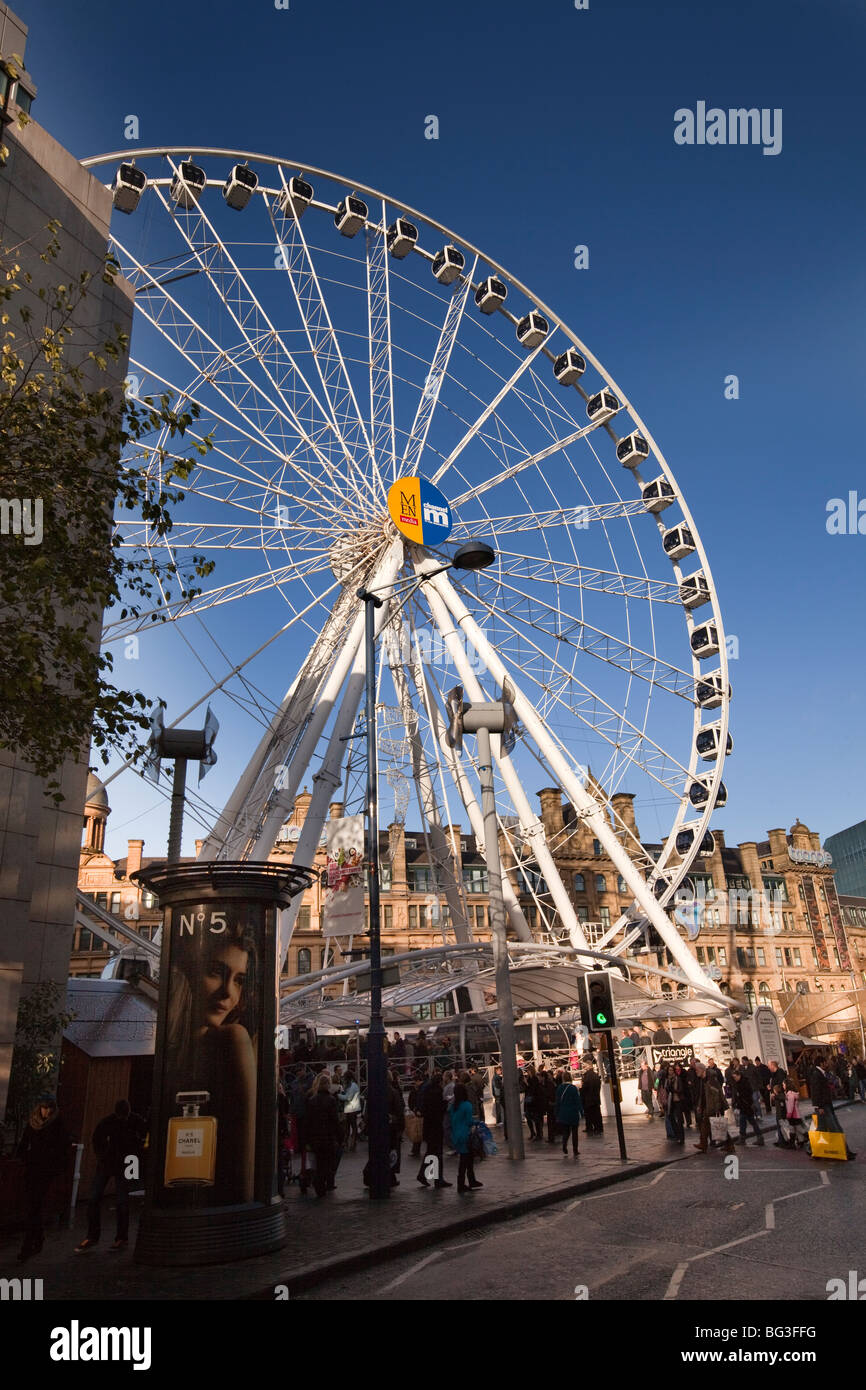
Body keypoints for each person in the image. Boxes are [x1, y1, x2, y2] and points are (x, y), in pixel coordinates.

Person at [165, 923, 257, 1204]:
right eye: (216, 973)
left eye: (239, 980)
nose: (228, 993)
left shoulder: (233, 1039)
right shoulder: (218, 1043)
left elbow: (245, 1173)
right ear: (188, 971)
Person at [75, 1099, 146, 1253]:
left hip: (118, 1164)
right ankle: (116, 1237)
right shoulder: (132, 1121)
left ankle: (105, 1237)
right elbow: (97, 1140)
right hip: (118, 1163)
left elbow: (97, 1140)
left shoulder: (117, 1122)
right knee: (113, 1201)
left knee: (117, 1201)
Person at [16, 1093, 72, 1262]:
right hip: (33, 1168)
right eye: (44, 1107)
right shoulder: (33, 1124)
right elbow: (23, 1145)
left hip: (45, 1170)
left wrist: (55, 1166)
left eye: (49, 1108)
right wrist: (25, 1158)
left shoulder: (57, 1125)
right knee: (34, 1206)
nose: (46, 1111)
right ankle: (37, 1237)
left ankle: (28, 1244)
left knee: (34, 1205)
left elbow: (63, 1150)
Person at [808, 1054, 856, 1160]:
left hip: (826, 1105)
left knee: (822, 1129)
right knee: (836, 1129)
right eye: (825, 1062)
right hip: (823, 1106)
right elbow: (815, 1092)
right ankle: (845, 1152)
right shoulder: (816, 1074)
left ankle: (811, 1149)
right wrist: (819, 1106)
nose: (827, 1064)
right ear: (821, 1063)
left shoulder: (822, 1073)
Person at [305, 1073, 340, 1197]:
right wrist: (339, 1136)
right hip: (328, 1136)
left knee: (319, 1162)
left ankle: (319, 1184)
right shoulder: (331, 1100)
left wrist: (307, 1139)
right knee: (328, 1163)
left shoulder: (311, 1100)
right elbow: (334, 1120)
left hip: (315, 1137)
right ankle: (321, 1183)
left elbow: (308, 1121)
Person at [417, 1071, 451, 1187]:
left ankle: (427, 1175)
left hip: (428, 1126)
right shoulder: (437, 1093)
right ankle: (436, 1178)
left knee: (431, 1152)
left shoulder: (427, 1092)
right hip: (436, 1126)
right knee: (437, 1153)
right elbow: (440, 1109)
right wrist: (445, 1103)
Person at [448, 1082, 482, 1193]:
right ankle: (462, 1184)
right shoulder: (467, 1105)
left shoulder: (453, 1106)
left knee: (466, 1158)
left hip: (456, 1135)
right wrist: (476, 1122)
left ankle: (470, 1180)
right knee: (466, 1160)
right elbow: (469, 1121)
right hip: (466, 1135)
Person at [731, 1066, 764, 1146]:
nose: (734, 1078)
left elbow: (747, 1093)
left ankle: (756, 1138)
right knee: (745, 1122)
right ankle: (747, 1138)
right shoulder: (738, 1083)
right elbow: (736, 1094)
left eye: (735, 1077)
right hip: (743, 1106)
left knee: (750, 1121)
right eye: (733, 1077)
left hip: (747, 1105)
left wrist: (744, 1101)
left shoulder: (745, 1082)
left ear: (739, 1075)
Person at [555, 1070, 583, 1156]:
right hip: (573, 1113)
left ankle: (564, 1145)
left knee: (566, 1132)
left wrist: (557, 1113)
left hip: (563, 1113)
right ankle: (575, 1150)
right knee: (574, 1132)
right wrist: (581, 1111)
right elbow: (577, 1101)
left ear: (563, 1078)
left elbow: (558, 1102)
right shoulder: (573, 1088)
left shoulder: (559, 1088)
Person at [388, 1069, 406, 1181]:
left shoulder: (377, 1090)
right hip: (392, 1127)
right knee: (393, 1150)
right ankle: (391, 1175)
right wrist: (401, 1127)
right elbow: (399, 1111)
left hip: (383, 1127)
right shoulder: (393, 1092)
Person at [339, 1070, 361, 1151]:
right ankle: (352, 1143)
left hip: (349, 1108)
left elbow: (347, 1097)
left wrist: (338, 1095)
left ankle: (349, 1143)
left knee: (348, 1126)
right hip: (353, 1108)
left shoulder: (350, 1085)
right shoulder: (353, 1085)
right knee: (352, 1126)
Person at [666, 1062, 687, 1144]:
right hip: (671, 1101)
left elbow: (681, 1090)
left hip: (677, 1100)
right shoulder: (668, 1079)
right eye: (669, 1070)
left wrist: (673, 1090)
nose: (670, 1072)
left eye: (671, 1070)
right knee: (671, 1117)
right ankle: (677, 1135)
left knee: (679, 1120)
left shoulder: (677, 1079)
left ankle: (681, 1137)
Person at [580, 1062, 603, 1135]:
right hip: (596, 1098)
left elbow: (584, 1088)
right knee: (597, 1114)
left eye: (584, 1065)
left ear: (588, 1067)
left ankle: (590, 1128)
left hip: (588, 1099)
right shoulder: (596, 1075)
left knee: (589, 1115)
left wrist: (580, 1090)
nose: (583, 1067)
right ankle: (598, 1128)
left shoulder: (586, 1076)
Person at [523, 1065, 545, 1140]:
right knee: (529, 1117)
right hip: (529, 1100)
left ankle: (538, 1133)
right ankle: (533, 1132)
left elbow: (533, 1089)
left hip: (534, 1101)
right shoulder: (529, 1079)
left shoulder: (534, 1079)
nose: (527, 1073)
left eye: (528, 1071)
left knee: (536, 1118)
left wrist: (526, 1084)